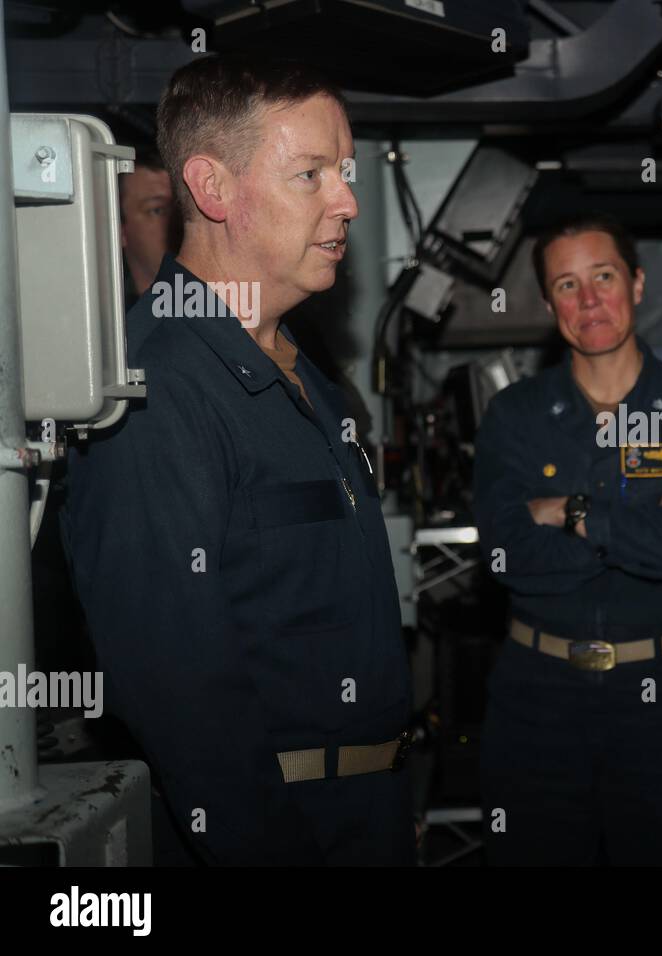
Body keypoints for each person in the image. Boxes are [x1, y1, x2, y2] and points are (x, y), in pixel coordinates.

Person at [61, 54, 414, 865]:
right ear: (214, 190)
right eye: (311, 174)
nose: (348, 202)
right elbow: (182, 694)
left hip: (363, 814)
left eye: (347, 172)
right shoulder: (157, 390)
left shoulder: (301, 374)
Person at [472, 213, 662, 865]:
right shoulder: (513, 418)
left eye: (604, 276)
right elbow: (509, 557)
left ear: (639, 283)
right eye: (566, 286)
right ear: (548, 305)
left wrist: (572, 513)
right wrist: (652, 520)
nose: (589, 300)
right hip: (537, 702)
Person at [118, 144, 180, 304]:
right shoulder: (114, 322)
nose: (176, 221)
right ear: (120, 231)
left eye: (181, 208)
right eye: (157, 210)